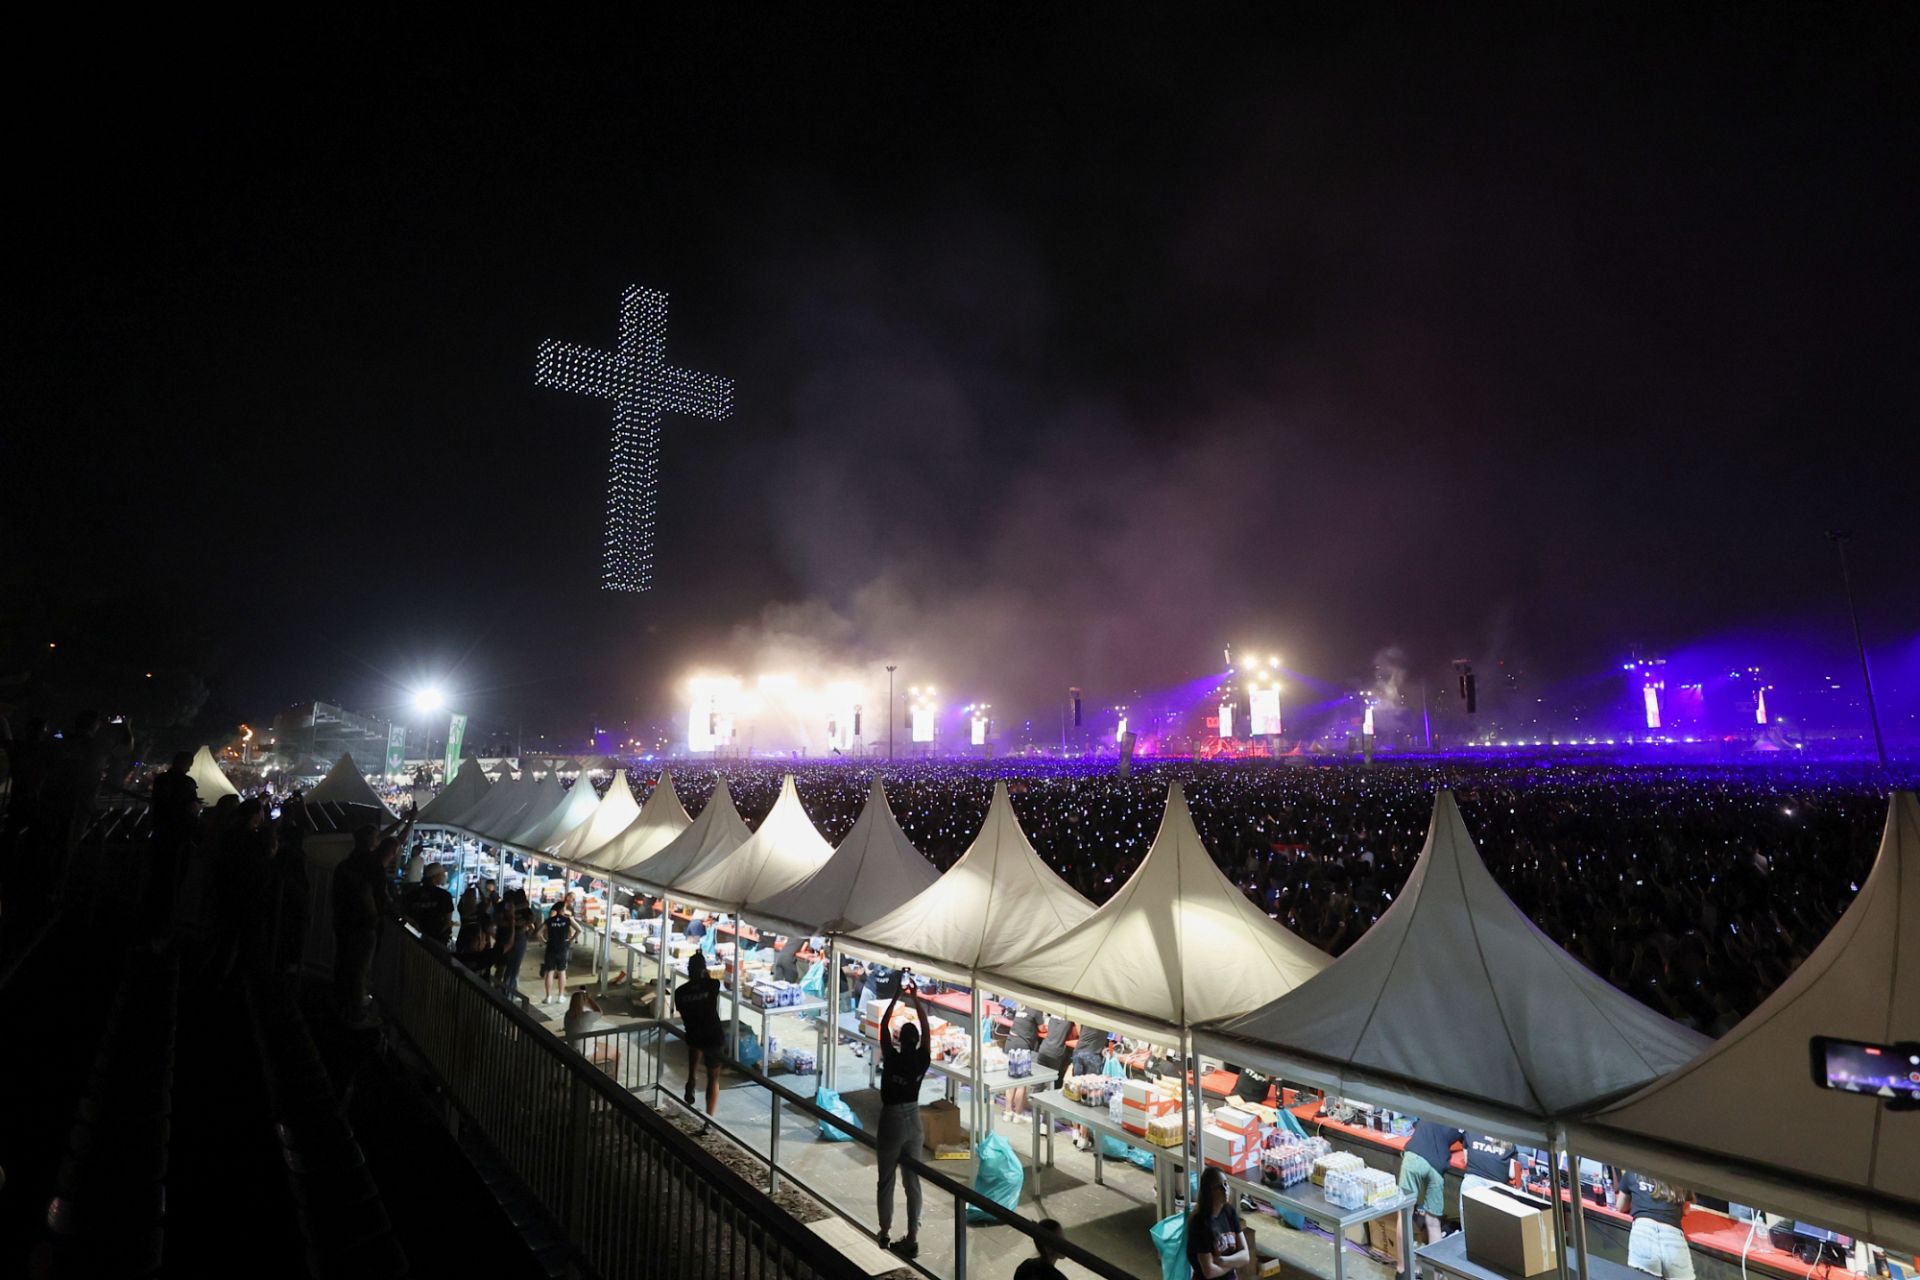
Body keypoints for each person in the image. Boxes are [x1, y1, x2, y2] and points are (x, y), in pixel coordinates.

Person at [875, 970, 931, 1260]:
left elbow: (883, 1025)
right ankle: (912, 1236)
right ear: (918, 1040)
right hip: (914, 1119)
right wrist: (916, 999)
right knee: (913, 1181)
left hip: (892, 1118)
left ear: (898, 1038)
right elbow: (926, 1032)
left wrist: (898, 995)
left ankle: (884, 1232)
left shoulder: (892, 1057)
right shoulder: (923, 1058)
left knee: (886, 1179)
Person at [144, 751, 200, 944]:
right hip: (179, 834)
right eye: (189, 763)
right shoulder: (187, 783)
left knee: (158, 875)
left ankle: (152, 913)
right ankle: (164, 920)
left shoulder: (161, 780)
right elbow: (190, 807)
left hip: (161, 831)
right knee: (173, 878)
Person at [674, 950, 726, 1121]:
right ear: (703, 970)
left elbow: (683, 1012)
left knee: (694, 1045)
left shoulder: (680, 992)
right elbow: (713, 984)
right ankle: (709, 1119)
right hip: (713, 1036)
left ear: (688, 971)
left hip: (694, 1035)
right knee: (713, 1078)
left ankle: (691, 1079)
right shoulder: (712, 985)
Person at [1616, 1170, 1694, 1280]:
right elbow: (1686, 1211)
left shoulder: (1632, 1173)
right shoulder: (1681, 1177)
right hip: (1673, 1236)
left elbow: (1620, 1207)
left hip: (1643, 1232)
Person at [1398, 1118, 1464, 1245]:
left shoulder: (1433, 1105)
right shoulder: (1466, 1120)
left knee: (1404, 1215)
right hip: (1437, 1166)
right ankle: (1434, 1264)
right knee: (1434, 1222)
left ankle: (1402, 1265)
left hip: (1415, 1157)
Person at [1187, 1165, 1256, 1279]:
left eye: (1226, 1184)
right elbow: (1209, 1272)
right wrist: (1234, 1263)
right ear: (1209, 1192)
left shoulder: (1229, 1212)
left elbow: (1245, 1256)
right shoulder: (1199, 1223)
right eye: (1219, 1187)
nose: (1225, 1190)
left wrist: (1223, 1260)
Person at [564, 990, 620, 1071]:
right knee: (616, 1054)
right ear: (583, 1002)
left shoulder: (567, 1014)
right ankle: (613, 1080)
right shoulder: (586, 1015)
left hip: (572, 1048)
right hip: (584, 1052)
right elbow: (599, 1012)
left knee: (602, 1045)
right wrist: (590, 1000)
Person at [402, 863, 456, 944]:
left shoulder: (412, 893)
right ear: (435, 877)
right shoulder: (444, 896)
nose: (444, 876)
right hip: (436, 940)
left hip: (413, 938)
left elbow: (406, 915)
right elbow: (447, 922)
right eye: (442, 874)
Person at [541, 897, 577, 1005]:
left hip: (551, 947)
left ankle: (548, 997)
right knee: (562, 972)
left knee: (549, 972)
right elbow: (579, 929)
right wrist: (571, 939)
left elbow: (538, 933)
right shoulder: (567, 920)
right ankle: (561, 996)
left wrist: (544, 941)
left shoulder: (549, 920)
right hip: (562, 947)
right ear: (562, 910)